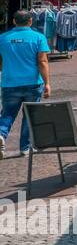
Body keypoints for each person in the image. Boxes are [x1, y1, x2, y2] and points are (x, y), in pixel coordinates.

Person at [0, 9, 51, 157]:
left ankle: (1, 134)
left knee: (7, 113)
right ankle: (25, 147)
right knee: (30, 114)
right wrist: (47, 83)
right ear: (30, 21)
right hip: (33, 83)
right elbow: (42, 61)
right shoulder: (38, 38)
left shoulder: (2, 38)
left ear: (14, 21)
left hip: (9, 82)